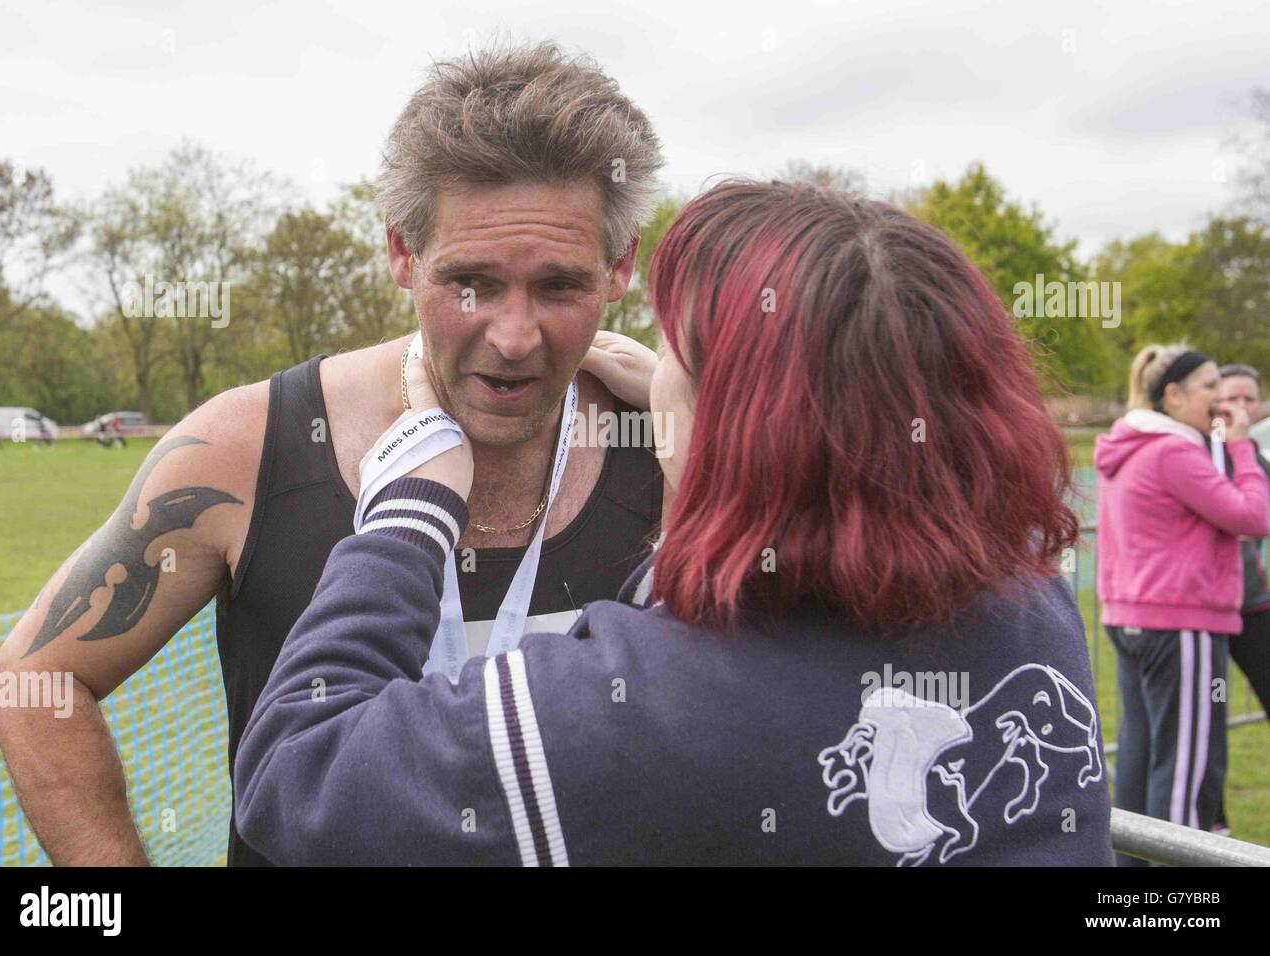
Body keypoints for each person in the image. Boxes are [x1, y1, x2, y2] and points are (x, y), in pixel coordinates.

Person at [234, 179, 1115, 866]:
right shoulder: (1029, 610)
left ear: (742, 429)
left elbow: (298, 771)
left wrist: (412, 504)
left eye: (682, 364)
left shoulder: (641, 708)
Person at [0, 41, 666, 866]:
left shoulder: (669, 452)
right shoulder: (247, 446)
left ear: (620, 266)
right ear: (401, 254)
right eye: (471, 284)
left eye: (560, 287)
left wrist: (707, 436)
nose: (515, 336)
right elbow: (38, 680)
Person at [1095, 345, 1270, 863]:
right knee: (1188, 769)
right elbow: (1253, 517)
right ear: (1173, 395)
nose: (1222, 399)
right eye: (1210, 386)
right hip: (1181, 622)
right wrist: (1239, 446)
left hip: (1131, 617)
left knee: (1141, 756)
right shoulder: (1174, 451)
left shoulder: (1130, 444)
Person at [1217, 363, 1270, 711]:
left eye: (1249, 399)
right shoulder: (1194, 453)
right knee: (1205, 709)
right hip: (1201, 606)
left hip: (1251, 598)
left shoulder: (1257, 461)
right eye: (1231, 397)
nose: (1241, 407)